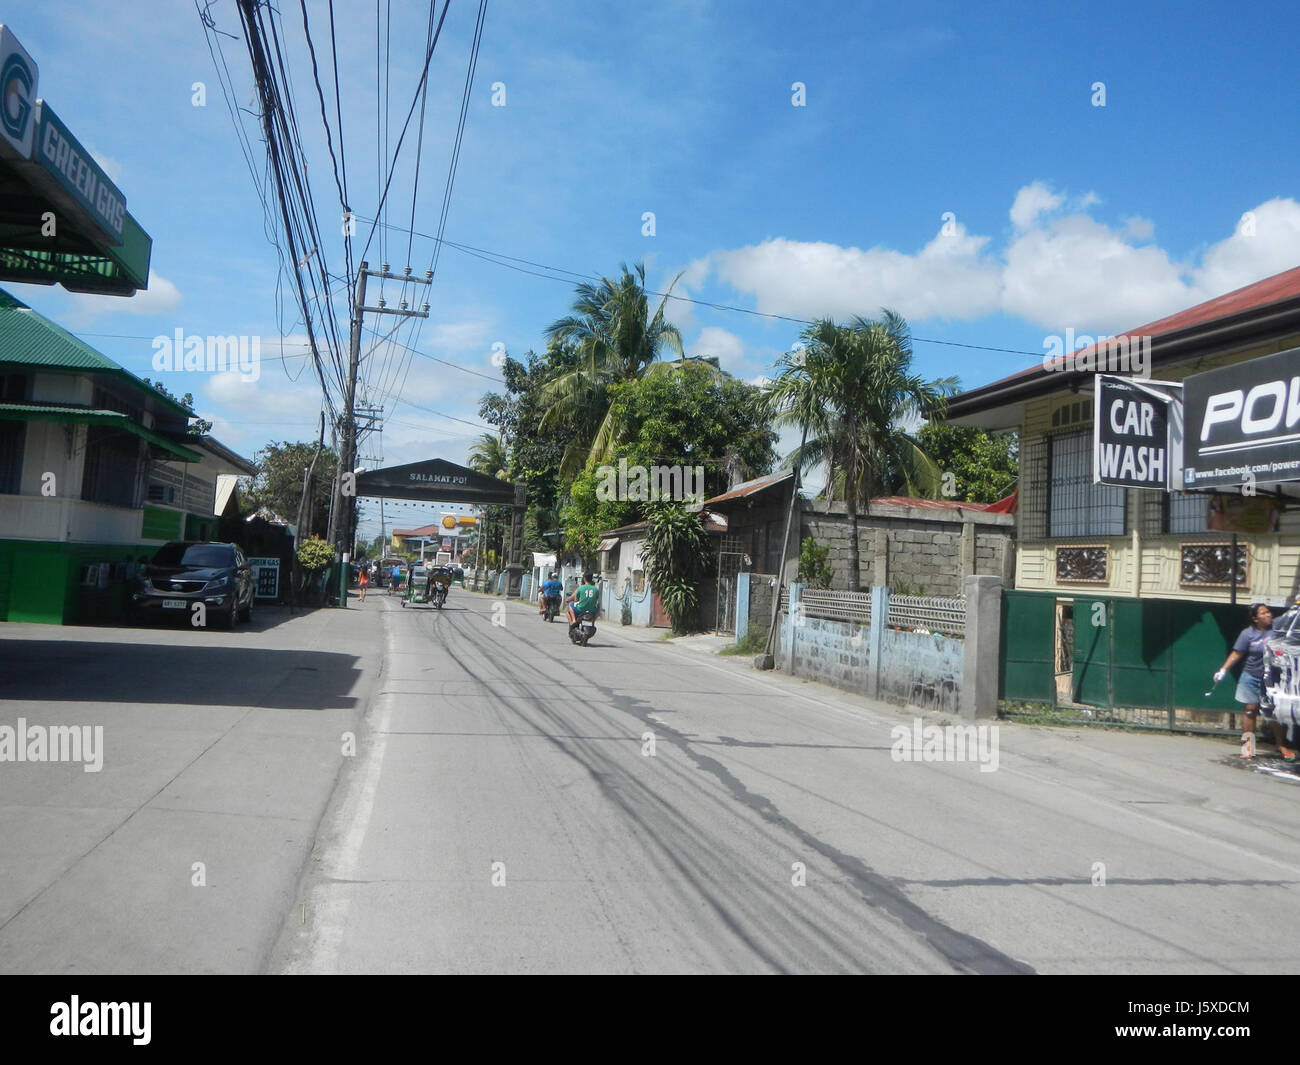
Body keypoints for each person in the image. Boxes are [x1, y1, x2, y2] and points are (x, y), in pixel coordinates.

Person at [1216, 602, 1298, 762]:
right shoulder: (1247, 634)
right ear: (1255, 618)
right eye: (1263, 613)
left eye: (1268, 612)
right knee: (1249, 710)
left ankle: (1280, 746)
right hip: (1251, 676)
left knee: (1275, 712)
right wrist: (1223, 670)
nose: (1268, 615)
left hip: (1273, 678)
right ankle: (1248, 747)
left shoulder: (1277, 628)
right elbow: (1237, 653)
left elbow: (1291, 619)